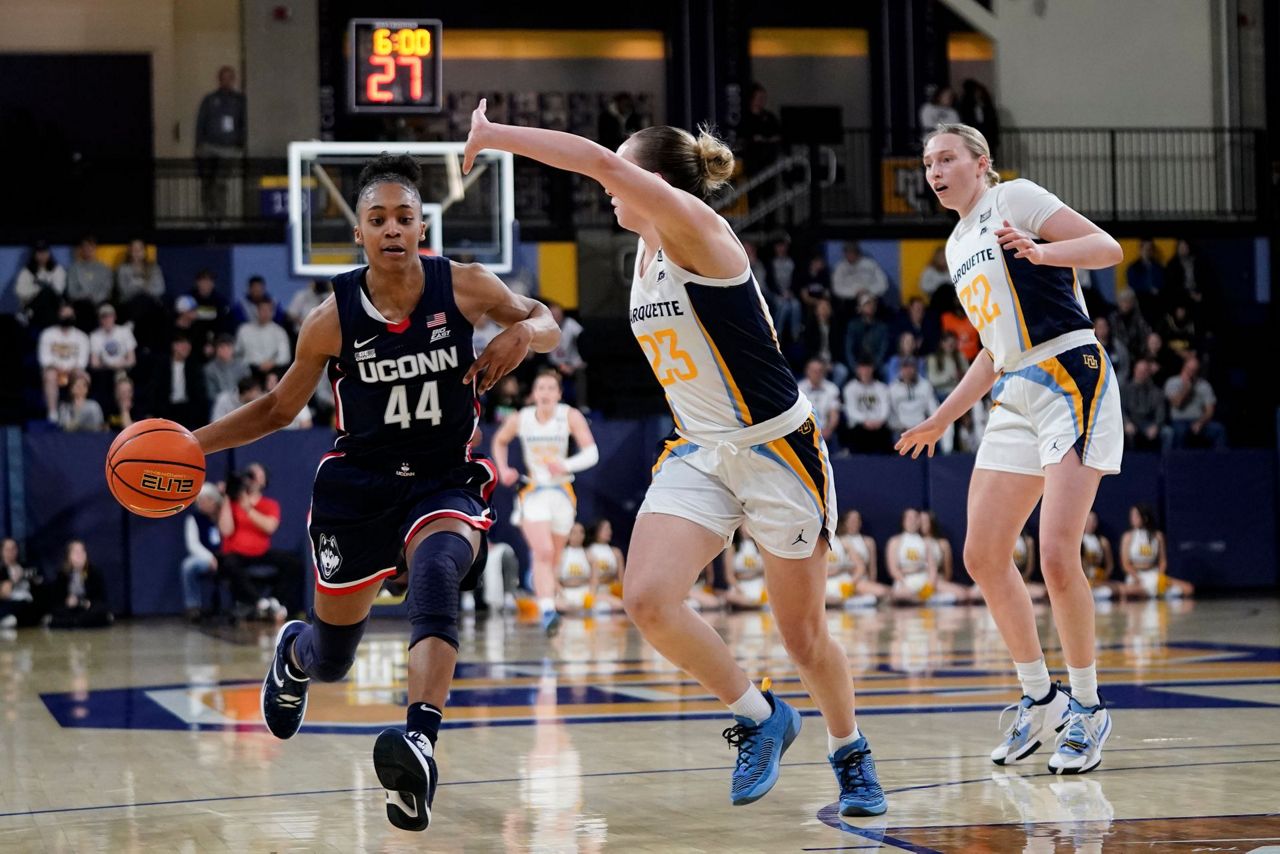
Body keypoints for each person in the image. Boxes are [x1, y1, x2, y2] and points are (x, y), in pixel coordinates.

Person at [465, 102, 888, 816]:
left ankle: (851, 754)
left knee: (805, 637)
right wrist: (521, 336)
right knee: (648, 600)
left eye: (624, 172)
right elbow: (556, 306)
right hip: (701, 448)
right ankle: (761, 715)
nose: (607, 187)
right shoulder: (644, 246)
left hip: (776, 449)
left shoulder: (700, 230)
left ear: (654, 181)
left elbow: (597, 161)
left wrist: (495, 136)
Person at [191, 152, 558, 832]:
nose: (392, 229)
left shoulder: (468, 286)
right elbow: (276, 410)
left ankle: (418, 742)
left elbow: (548, 319)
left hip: (442, 476)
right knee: (333, 659)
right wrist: (194, 445)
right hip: (358, 489)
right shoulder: (329, 320)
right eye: (377, 219)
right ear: (357, 233)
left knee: (440, 570)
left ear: (423, 227)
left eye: (405, 218)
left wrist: (524, 333)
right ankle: (295, 657)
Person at [899, 123, 1125, 775]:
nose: (935, 171)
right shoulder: (955, 243)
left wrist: (1041, 252)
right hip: (1015, 387)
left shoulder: (1015, 197)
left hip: (1068, 370)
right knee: (982, 554)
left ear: (981, 163)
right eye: (928, 163)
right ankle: (1040, 698)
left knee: (1056, 553)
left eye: (946, 159)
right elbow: (992, 354)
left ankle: (1087, 707)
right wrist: (940, 419)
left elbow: (1105, 248)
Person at [491, 369, 598, 634]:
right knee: (544, 552)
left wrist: (564, 464)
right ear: (533, 395)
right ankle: (548, 610)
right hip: (533, 490)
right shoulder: (521, 418)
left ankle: (542, 588)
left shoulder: (569, 415)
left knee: (554, 558)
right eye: (541, 388)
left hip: (561, 491)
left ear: (559, 393)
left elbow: (592, 452)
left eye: (552, 388)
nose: (546, 393)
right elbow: (500, 441)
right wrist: (503, 469)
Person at [195, 65, 247, 222]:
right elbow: (201, 123)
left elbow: (244, 123)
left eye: (229, 77)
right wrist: (199, 145)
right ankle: (207, 216)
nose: (226, 81)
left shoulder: (240, 100)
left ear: (233, 79)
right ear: (219, 79)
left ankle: (220, 216)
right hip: (209, 147)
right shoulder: (209, 99)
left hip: (229, 148)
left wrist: (241, 143)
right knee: (207, 183)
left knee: (220, 183)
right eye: (223, 77)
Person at [1119, 504, 1193, 599]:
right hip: (1136, 576)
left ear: (1145, 518)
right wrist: (1138, 578)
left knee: (1188, 588)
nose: (1132, 518)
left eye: (1136, 515)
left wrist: (1160, 577)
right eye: (1131, 515)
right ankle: (1155, 593)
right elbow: (1125, 564)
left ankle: (1155, 593)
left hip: (1153, 574)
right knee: (1127, 591)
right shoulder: (1127, 537)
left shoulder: (1158, 536)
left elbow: (1163, 561)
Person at [38, 304, 91, 422]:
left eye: (69, 315)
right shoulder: (48, 334)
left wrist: (68, 370)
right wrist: (59, 369)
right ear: (59, 315)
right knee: (50, 375)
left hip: (73, 372)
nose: (66, 317)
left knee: (83, 376)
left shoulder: (81, 336)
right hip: (54, 371)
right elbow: (44, 359)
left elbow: (82, 362)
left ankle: (79, 414)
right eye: (64, 314)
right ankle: (52, 413)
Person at [1163, 353, 1225, 450]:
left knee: (1219, 429)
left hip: (1199, 420)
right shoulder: (1172, 382)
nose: (1191, 372)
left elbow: (1210, 410)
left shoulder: (1204, 385)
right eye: (1189, 369)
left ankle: (1221, 461)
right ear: (1184, 368)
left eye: (1194, 370)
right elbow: (1177, 404)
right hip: (1179, 421)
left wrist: (1200, 422)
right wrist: (1186, 389)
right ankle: (1178, 462)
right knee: (1179, 432)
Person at [181, 483, 224, 620]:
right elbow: (193, 545)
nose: (200, 504)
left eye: (204, 500)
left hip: (226, 556)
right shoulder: (194, 519)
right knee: (188, 565)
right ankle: (193, 607)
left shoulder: (225, 515)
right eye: (199, 501)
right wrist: (210, 558)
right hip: (206, 558)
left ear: (214, 501)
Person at [48, 540, 113, 629]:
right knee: (57, 617)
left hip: (88, 608)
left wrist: (89, 603)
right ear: (69, 556)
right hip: (70, 609)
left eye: (82, 551)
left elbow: (101, 599)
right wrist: (68, 602)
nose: (80, 555)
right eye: (76, 552)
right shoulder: (61, 574)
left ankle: (76, 622)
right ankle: (75, 622)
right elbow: (55, 601)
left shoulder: (95, 572)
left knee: (99, 614)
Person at [886, 509, 944, 605]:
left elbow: (933, 569)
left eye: (915, 518)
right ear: (903, 521)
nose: (912, 521)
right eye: (909, 518)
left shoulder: (926, 542)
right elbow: (893, 570)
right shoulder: (895, 542)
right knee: (897, 595)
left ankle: (921, 599)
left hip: (924, 578)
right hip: (905, 580)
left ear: (919, 522)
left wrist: (929, 587)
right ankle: (919, 600)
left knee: (959, 594)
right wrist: (905, 582)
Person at [836, 510, 890, 603]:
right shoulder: (839, 541)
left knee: (884, 592)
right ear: (845, 522)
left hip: (862, 579)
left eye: (857, 520)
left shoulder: (868, 541)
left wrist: (871, 583)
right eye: (851, 520)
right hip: (845, 579)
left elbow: (872, 567)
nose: (854, 523)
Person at [840, 359, 892, 453]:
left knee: (886, 433)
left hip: (878, 425)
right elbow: (851, 411)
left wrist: (879, 421)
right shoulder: (850, 388)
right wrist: (865, 421)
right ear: (858, 370)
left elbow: (885, 408)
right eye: (862, 368)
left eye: (868, 368)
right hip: (859, 426)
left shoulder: (881, 387)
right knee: (854, 433)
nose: (865, 371)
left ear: (872, 369)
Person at [14, 240, 66, 328]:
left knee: (47, 291)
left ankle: (26, 313)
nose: (42, 256)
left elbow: (58, 290)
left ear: (49, 253)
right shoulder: (27, 271)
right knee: (45, 291)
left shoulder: (57, 269)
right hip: (36, 308)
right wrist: (38, 291)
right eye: (39, 252)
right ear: (34, 254)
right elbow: (20, 291)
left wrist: (37, 290)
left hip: (53, 306)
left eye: (45, 252)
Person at [235, 298, 292, 376]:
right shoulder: (244, 330)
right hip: (249, 369)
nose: (266, 313)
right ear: (257, 311)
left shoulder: (279, 331)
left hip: (273, 369)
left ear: (272, 312)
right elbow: (237, 353)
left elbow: (285, 356)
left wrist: (272, 363)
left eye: (269, 310)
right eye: (263, 310)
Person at [1121, 359, 1168, 451]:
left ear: (1149, 373)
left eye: (1145, 371)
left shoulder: (1156, 391)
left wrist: (1156, 426)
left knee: (1167, 432)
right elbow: (1120, 409)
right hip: (1130, 421)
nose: (1142, 374)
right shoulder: (1124, 389)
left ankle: (1165, 463)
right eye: (1140, 371)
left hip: (1148, 422)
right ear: (1134, 371)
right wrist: (1126, 423)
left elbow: (1160, 412)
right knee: (1123, 433)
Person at [65, 235, 113, 326]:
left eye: (90, 247)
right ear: (81, 249)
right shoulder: (73, 268)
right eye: (85, 247)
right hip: (80, 303)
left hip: (99, 303)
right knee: (83, 307)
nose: (88, 250)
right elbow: (71, 292)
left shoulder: (104, 268)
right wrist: (85, 297)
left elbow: (106, 290)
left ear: (95, 248)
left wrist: (94, 299)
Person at [554, 522, 596, 614]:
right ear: (568, 535)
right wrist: (563, 594)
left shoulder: (589, 554)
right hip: (565, 593)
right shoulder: (561, 554)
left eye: (581, 532)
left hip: (584, 592)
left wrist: (591, 595)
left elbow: (594, 580)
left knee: (612, 603)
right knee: (557, 605)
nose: (578, 535)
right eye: (574, 532)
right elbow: (554, 581)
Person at [586, 518, 626, 609]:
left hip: (610, 591)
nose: (609, 532)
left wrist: (621, 594)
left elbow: (621, 579)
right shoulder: (587, 551)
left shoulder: (616, 552)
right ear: (596, 530)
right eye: (605, 529)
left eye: (610, 529)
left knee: (619, 605)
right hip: (592, 590)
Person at [798, 358, 842, 442]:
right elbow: (798, 415)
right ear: (807, 371)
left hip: (826, 432)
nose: (817, 374)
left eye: (820, 371)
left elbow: (834, 415)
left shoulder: (832, 388)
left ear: (824, 372)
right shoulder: (799, 389)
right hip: (805, 432)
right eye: (814, 371)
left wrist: (828, 430)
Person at [1080, 511, 1116, 601]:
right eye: (1088, 521)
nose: (1091, 524)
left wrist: (1102, 577)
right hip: (1083, 579)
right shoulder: (1078, 541)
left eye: (1094, 521)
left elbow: (1110, 566)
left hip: (1099, 578)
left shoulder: (1103, 542)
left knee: (1112, 591)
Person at [926, 331, 970, 400]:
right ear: (941, 343)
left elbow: (969, 374)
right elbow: (932, 380)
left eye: (953, 343)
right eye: (947, 342)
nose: (950, 345)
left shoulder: (960, 356)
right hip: (942, 392)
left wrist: (962, 375)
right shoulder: (933, 358)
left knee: (975, 399)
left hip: (959, 389)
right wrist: (949, 377)